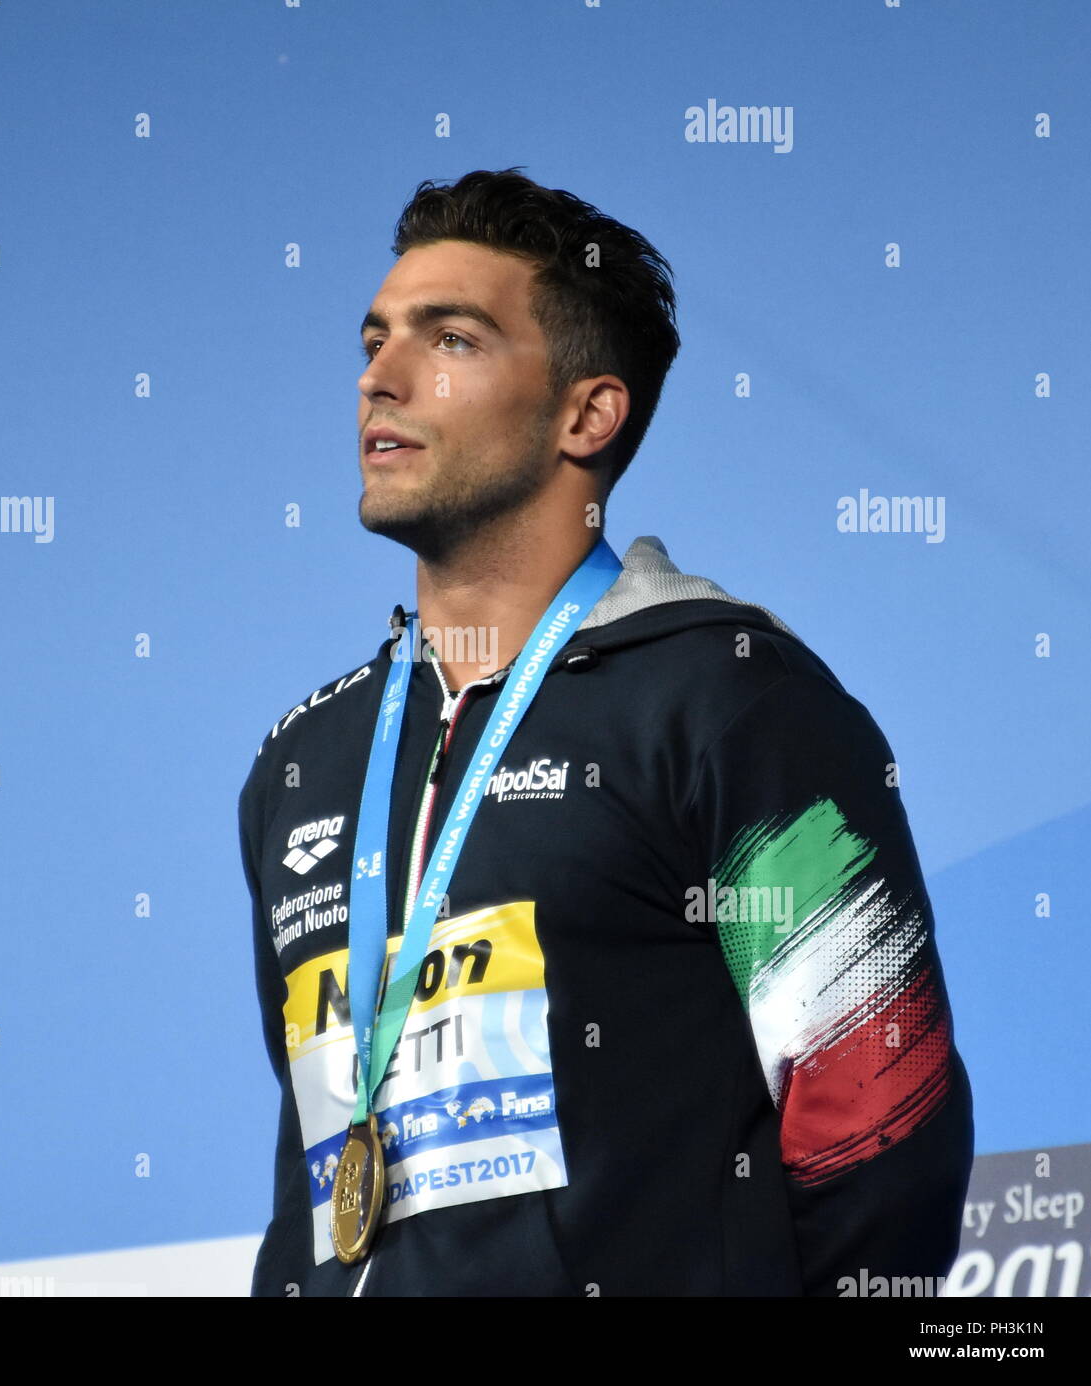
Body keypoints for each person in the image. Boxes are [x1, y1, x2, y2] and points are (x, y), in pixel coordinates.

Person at [237, 167, 973, 1296]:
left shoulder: (730, 699)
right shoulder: (303, 765)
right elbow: (313, 1173)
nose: (378, 379)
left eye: (451, 340)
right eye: (373, 339)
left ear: (587, 413)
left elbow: (879, 1129)